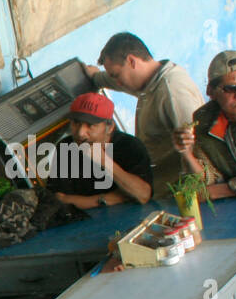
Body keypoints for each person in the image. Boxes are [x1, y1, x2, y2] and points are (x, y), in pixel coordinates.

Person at [86, 32, 203, 196]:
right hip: (157, 185)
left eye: (117, 75)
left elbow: (199, 153)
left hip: (178, 194)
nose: (117, 82)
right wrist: (94, 76)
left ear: (132, 61)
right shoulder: (148, 83)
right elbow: (111, 81)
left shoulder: (173, 91)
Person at [174, 50, 236, 199]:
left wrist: (214, 192)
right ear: (211, 92)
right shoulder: (203, 120)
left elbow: (206, 192)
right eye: (230, 88)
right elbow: (208, 177)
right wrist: (186, 153)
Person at [47, 92, 153, 208]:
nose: (80, 133)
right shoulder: (66, 146)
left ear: (110, 127)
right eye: (76, 123)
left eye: (90, 125)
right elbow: (58, 199)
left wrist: (104, 161)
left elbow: (142, 195)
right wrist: (105, 199)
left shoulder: (129, 146)